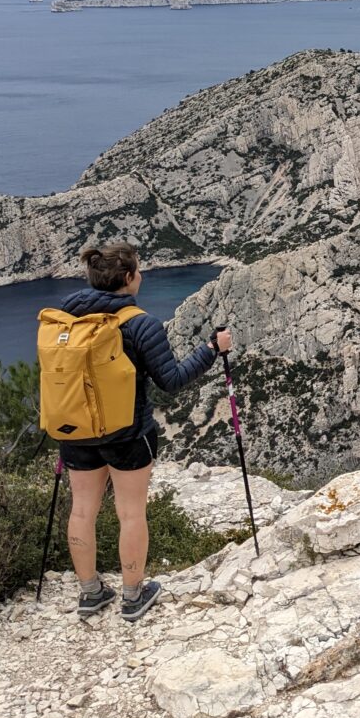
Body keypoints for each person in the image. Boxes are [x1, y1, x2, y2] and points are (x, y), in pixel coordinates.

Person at [59, 243, 230, 622]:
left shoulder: (62, 319)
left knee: (82, 510)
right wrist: (211, 351)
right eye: (139, 272)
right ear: (129, 278)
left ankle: (90, 593)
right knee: (130, 513)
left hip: (74, 430)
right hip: (127, 434)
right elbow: (170, 381)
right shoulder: (139, 324)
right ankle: (133, 596)